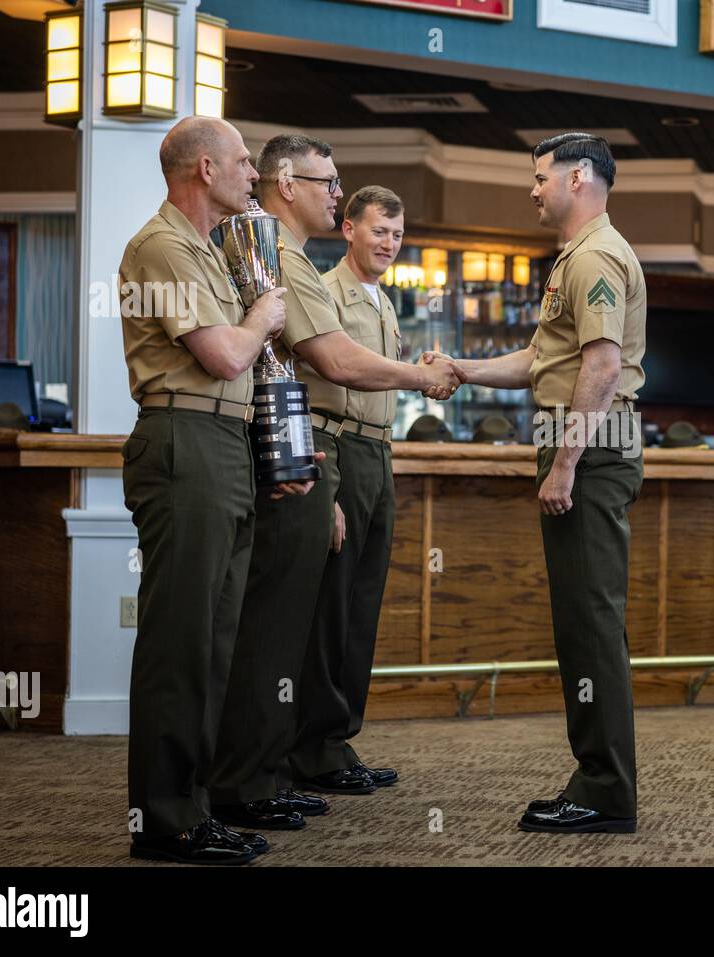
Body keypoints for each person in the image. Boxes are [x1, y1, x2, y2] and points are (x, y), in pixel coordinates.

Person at [209, 139, 460, 831]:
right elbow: (333, 365)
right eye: (328, 182)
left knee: (297, 625)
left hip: (309, 455)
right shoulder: (280, 252)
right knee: (280, 627)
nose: (335, 193)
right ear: (287, 181)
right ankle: (251, 776)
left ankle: (266, 769)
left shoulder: (287, 254)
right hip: (296, 454)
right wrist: (422, 378)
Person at [424, 132, 646, 832]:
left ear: (579, 176)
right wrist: (464, 367)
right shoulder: (576, 259)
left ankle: (606, 790)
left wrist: (566, 460)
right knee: (579, 622)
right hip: (581, 439)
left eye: (541, 176)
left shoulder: (599, 255)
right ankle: (598, 778)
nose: (533, 188)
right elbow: (541, 358)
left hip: (592, 444)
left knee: (591, 624)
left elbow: (603, 368)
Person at [121, 116, 288, 865]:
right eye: (243, 162)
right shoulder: (162, 245)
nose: (253, 175)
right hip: (184, 437)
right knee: (180, 642)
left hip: (223, 442)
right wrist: (263, 315)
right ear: (203, 170)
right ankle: (163, 820)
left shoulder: (210, 251)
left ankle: (192, 806)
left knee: (214, 640)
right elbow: (224, 354)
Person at [286, 184, 450, 793]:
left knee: (361, 605)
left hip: (380, 454)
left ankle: (337, 740)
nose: (390, 244)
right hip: (340, 448)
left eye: (398, 235)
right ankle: (311, 746)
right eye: (379, 231)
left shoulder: (382, 302)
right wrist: (421, 377)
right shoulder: (323, 292)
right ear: (349, 229)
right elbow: (335, 371)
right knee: (331, 603)